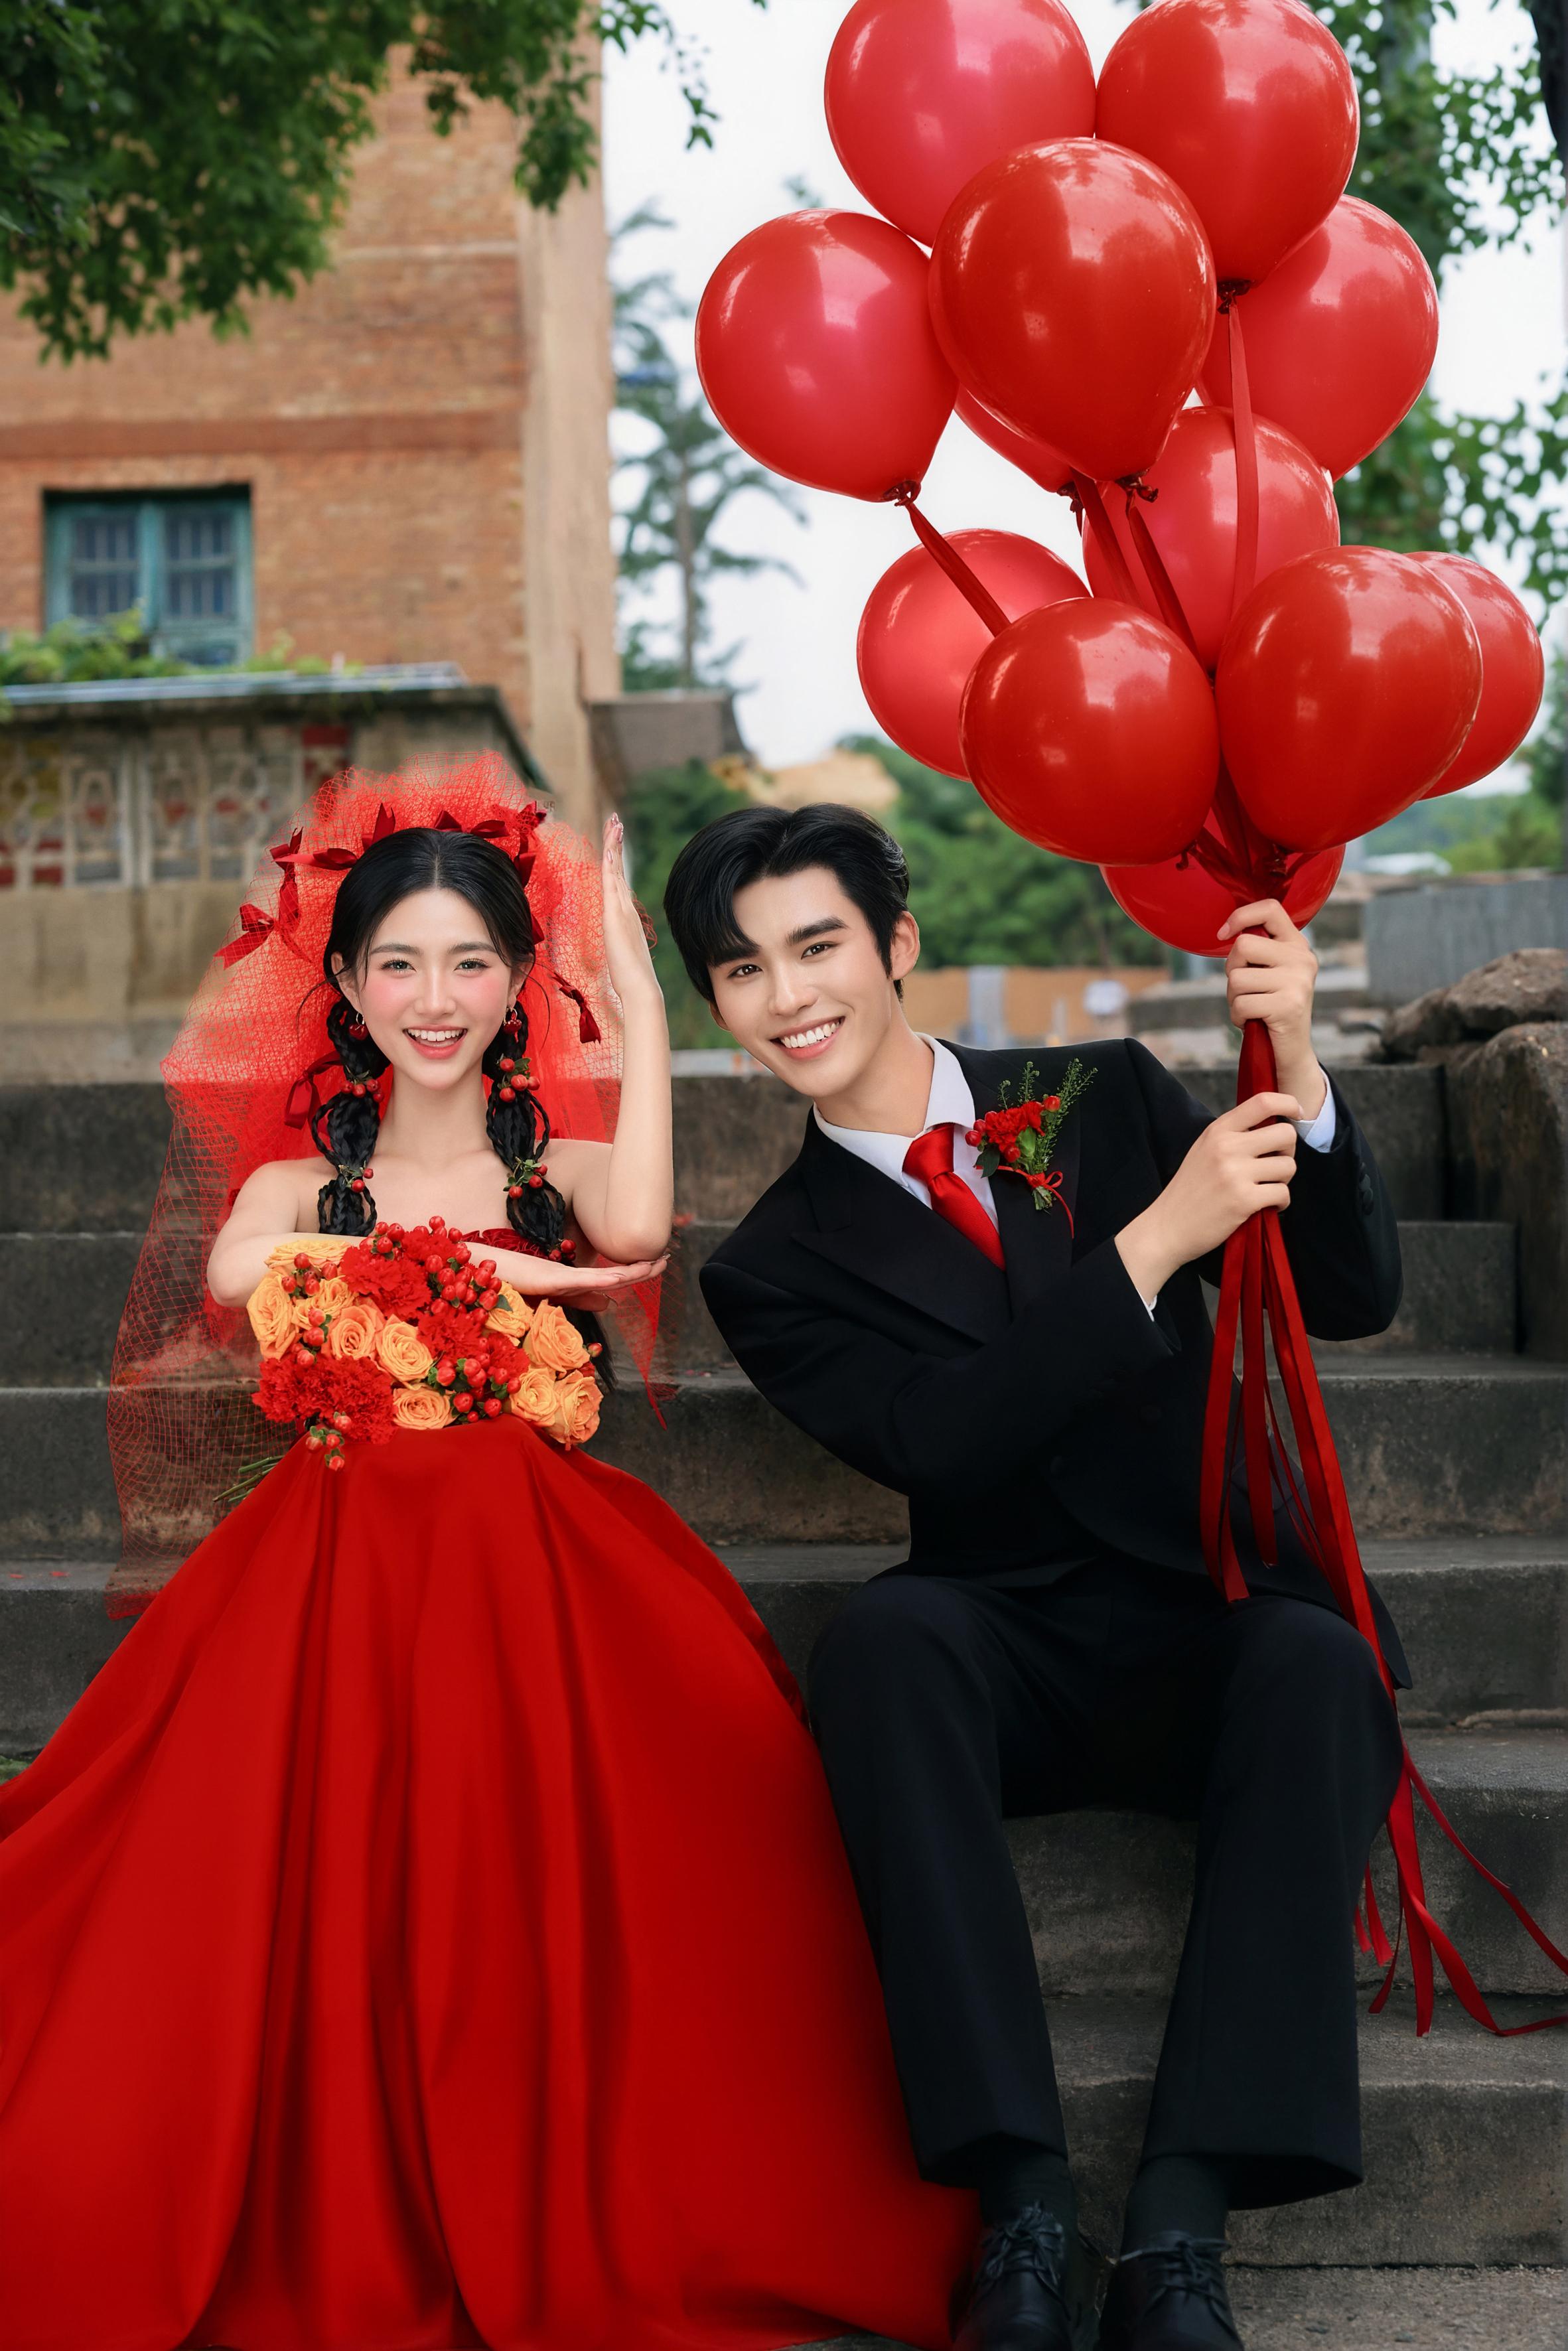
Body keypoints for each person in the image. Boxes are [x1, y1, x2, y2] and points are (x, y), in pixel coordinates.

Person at [0, 762, 976, 2351]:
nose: (435, 998)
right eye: (399, 963)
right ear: (345, 983)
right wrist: (477, 1269)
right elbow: (241, 1274)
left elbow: (639, 1226)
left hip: (523, 1559)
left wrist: (637, 1003)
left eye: (472, 962)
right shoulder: (289, 1185)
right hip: (332, 1566)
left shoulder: (558, 1171)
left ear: (522, 981)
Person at [664, 802, 1409, 2351]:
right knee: (882, 1641)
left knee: (1322, 1663)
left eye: (817, 945)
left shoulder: (1103, 1091)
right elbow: (941, 1436)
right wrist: (1147, 1249)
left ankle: (1179, 2231)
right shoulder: (770, 1263)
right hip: (1001, 1642)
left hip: (1205, 1614)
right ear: (717, 1001)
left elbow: (1348, 1290)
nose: (789, 996)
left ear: (898, 943)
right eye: (742, 970)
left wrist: (1299, 1064)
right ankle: (1019, 2209)